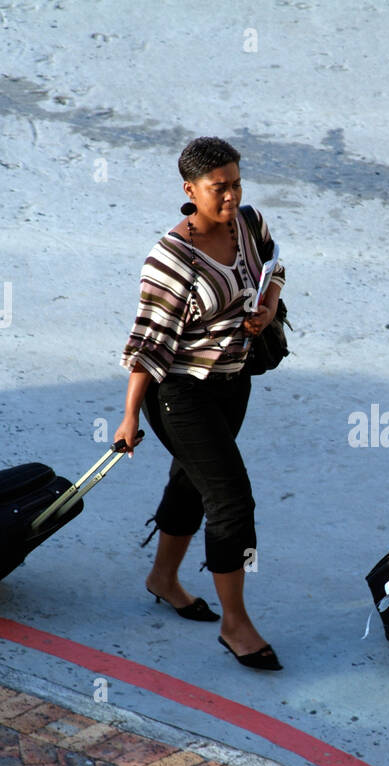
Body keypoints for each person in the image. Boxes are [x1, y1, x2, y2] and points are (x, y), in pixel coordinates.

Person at [113, 136, 284, 671]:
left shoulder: (250, 224)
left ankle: (163, 578)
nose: (231, 196)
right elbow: (147, 343)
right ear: (190, 190)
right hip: (178, 393)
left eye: (236, 184)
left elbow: (273, 270)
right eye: (219, 188)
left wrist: (266, 311)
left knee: (192, 480)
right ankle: (236, 624)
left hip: (233, 382)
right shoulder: (171, 257)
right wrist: (128, 417)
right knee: (231, 500)